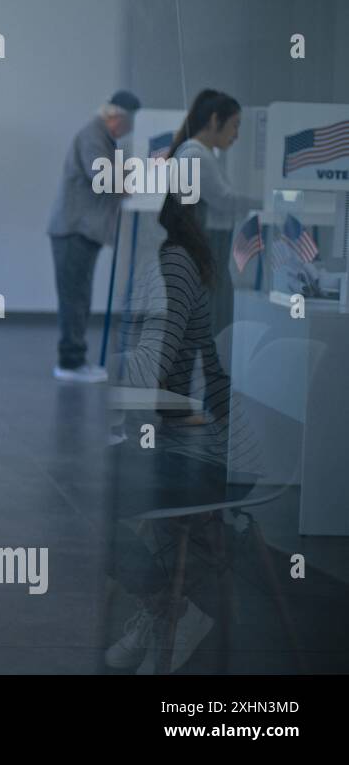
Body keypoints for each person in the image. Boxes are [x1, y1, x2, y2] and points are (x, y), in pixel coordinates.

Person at [105, 193, 262, 673]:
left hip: (214, 457)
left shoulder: (170, 266)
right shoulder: (174, 261)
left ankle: (170, 609)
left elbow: (149, 373)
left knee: (86, 497)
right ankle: (165, 607)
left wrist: (104, 373)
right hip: (198, 446)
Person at [46, 90, 141, 383]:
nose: (129, 130)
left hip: (81, 231)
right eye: (129, 124)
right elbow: (103, 179)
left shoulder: (102, 138)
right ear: (116, 117)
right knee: (75, 298)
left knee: (79, 297)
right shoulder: (93, 136)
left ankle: (75, 359)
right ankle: (70, 363)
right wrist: (129, 180)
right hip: (75, 230)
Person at [167, 89, 263, 335]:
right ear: (214, 120)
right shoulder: (195, 155)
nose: (236, 135)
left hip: (207, 245)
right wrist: (261, 202)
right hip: (205, 245)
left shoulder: (201, 154)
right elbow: (223, 199)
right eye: (234, 126)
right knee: (211, 320)